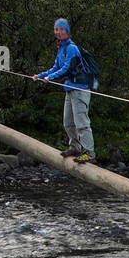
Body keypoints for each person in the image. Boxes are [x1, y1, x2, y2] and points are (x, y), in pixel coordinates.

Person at [33, 18, 96, 164]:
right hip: (70, 89)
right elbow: (56, 67)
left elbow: (66, 68)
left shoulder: (72, 48)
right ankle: (74, 147)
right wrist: (41, 75)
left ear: (67, 31)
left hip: (80, 90)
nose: (58, 32)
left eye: (61, 29)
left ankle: (89, 153)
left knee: (82, 123)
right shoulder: (61, 47)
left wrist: (50, 78)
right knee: (68, 122)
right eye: (56, 29)